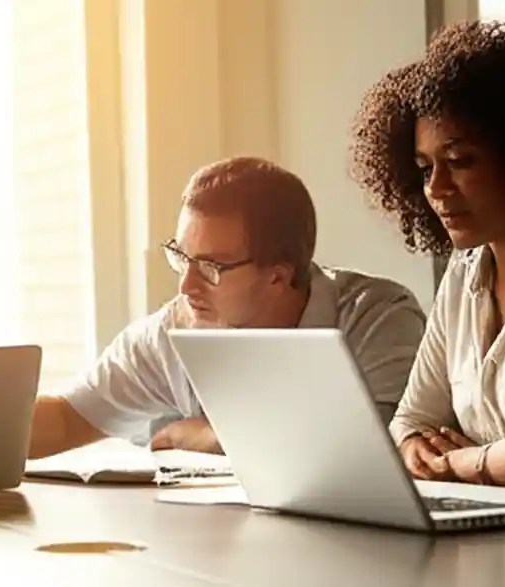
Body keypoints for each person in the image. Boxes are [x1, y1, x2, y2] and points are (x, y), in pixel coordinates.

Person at [29, 157, 427, 459]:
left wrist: (208, 435)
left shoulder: (377, 317)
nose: (186, 285)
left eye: (211, 267)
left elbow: (381, 446)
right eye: (181, 257)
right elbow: (66, 420)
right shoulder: (175, 327)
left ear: (278, 276)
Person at [352, 20, 505, 489]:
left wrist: (464, 465)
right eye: (424, 169)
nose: (436, 189)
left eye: (459, 161)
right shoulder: (463, 274)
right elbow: (410, 419)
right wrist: (416, 449)